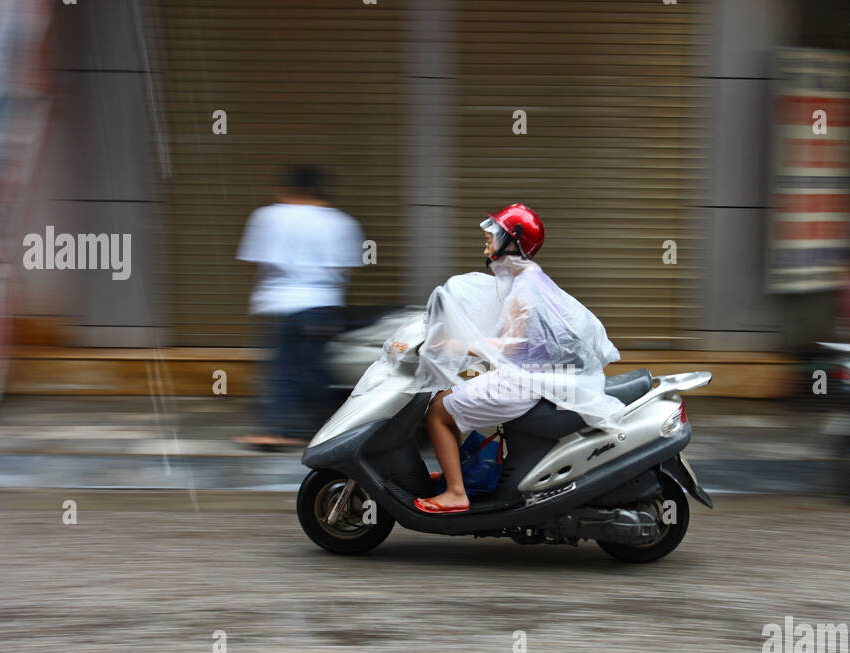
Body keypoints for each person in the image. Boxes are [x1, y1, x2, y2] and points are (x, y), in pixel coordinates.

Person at [412, 203, 622, 514]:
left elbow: (511, 345)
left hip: (517, 383)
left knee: (437, 414)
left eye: (491, 237)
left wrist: (456, 345)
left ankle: (456, 492)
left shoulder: (526, 287)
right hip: (521, 375)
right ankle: (457, 474)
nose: (486, 242)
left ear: (513, 242)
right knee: (443, 396)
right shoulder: (526, 278)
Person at [234, 165, 363, 449]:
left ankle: (281, 431)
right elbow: (348, 270)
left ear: (285, 189)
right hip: (322, 306)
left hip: (278, 304)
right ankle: (326, 429)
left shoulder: (266, 217)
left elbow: (254, 264)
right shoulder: (342, 222)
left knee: (282, 373)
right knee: (314, 371)